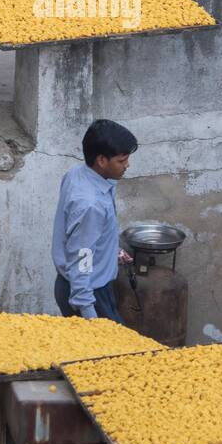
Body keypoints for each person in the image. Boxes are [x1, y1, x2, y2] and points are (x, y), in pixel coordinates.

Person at [52, 119, 137, 321]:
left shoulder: (77, 174)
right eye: (121, 160)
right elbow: (81, 257)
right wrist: (89, 313)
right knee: (116, 351)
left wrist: (110, 251)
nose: (127, 165)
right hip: (88, 293)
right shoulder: (91, 204)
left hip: (78, 284)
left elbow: (83, 237)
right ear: (101, 160)